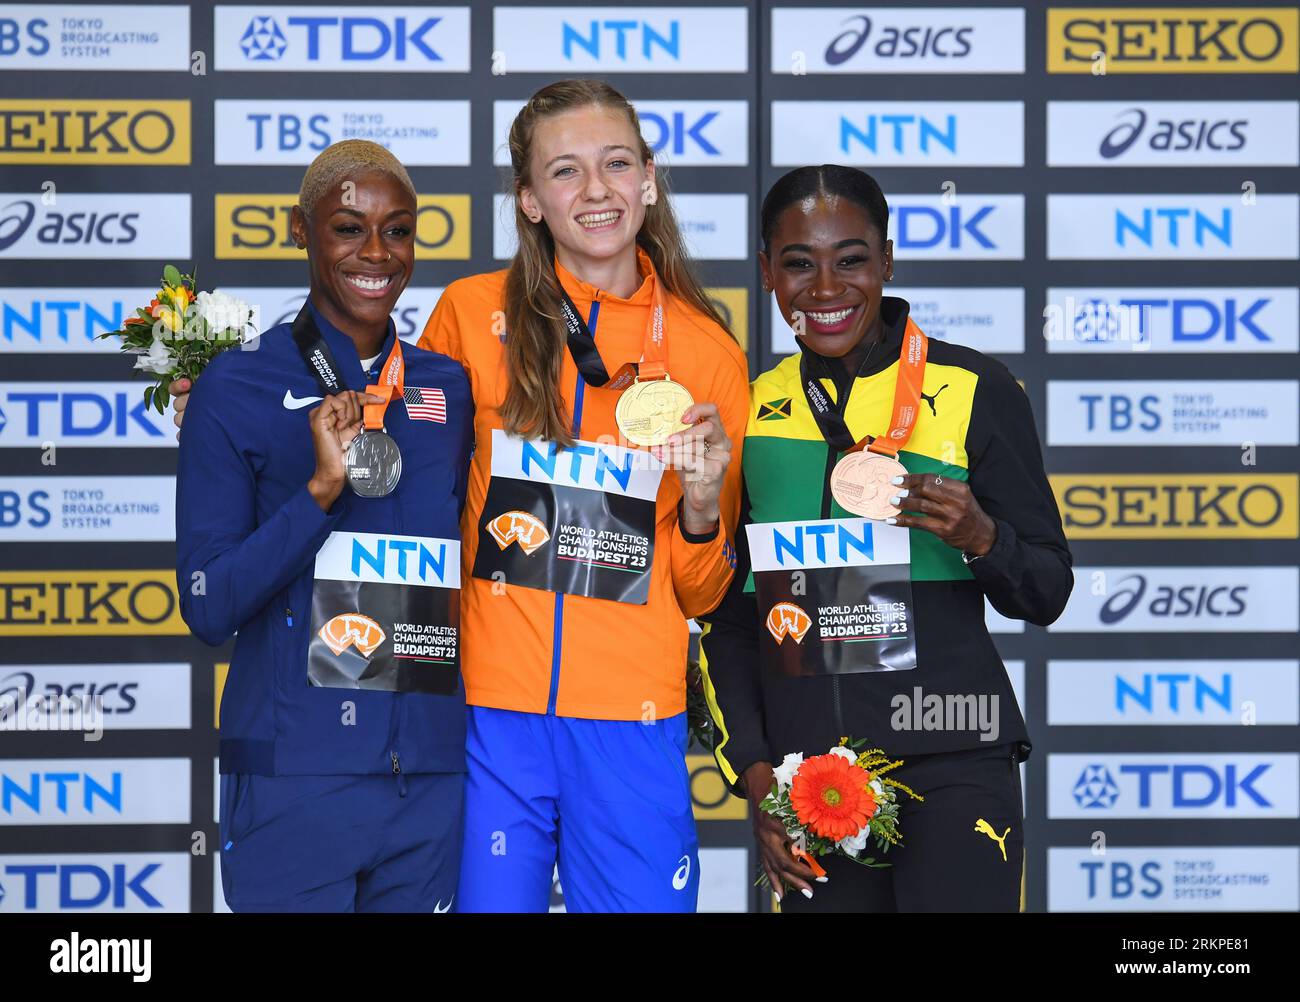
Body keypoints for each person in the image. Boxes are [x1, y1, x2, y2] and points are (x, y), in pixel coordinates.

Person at [698, 165, 1073, 912]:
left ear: (888, 261)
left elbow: (1047, 589)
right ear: (767, 270)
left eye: (852, 259)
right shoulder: (749, 407)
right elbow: (730, 619)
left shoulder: (975, 387)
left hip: (955, 750)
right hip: (813, 782)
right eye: (799, 262)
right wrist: (757, 775)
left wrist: (981, 534)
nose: (826, 287)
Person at [416, 79, 749, 912]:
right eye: (565, 171)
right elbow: (391, 470)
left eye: (616, 164)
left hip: (632, 719)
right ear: (528, 199)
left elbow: (704, 591)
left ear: (648, 180)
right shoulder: (468, 316)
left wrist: (704, 507)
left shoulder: (707, 352)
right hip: (492, 713)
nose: (595, 190)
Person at [176, 140, 473, 911]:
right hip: (291, 779)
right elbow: (209, 607)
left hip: (429, 780)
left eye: (399, 229)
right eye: (348, 227)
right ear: (300, 230)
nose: (377, 252)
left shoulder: (450, 386)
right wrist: (317, 492)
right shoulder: (234, 387)